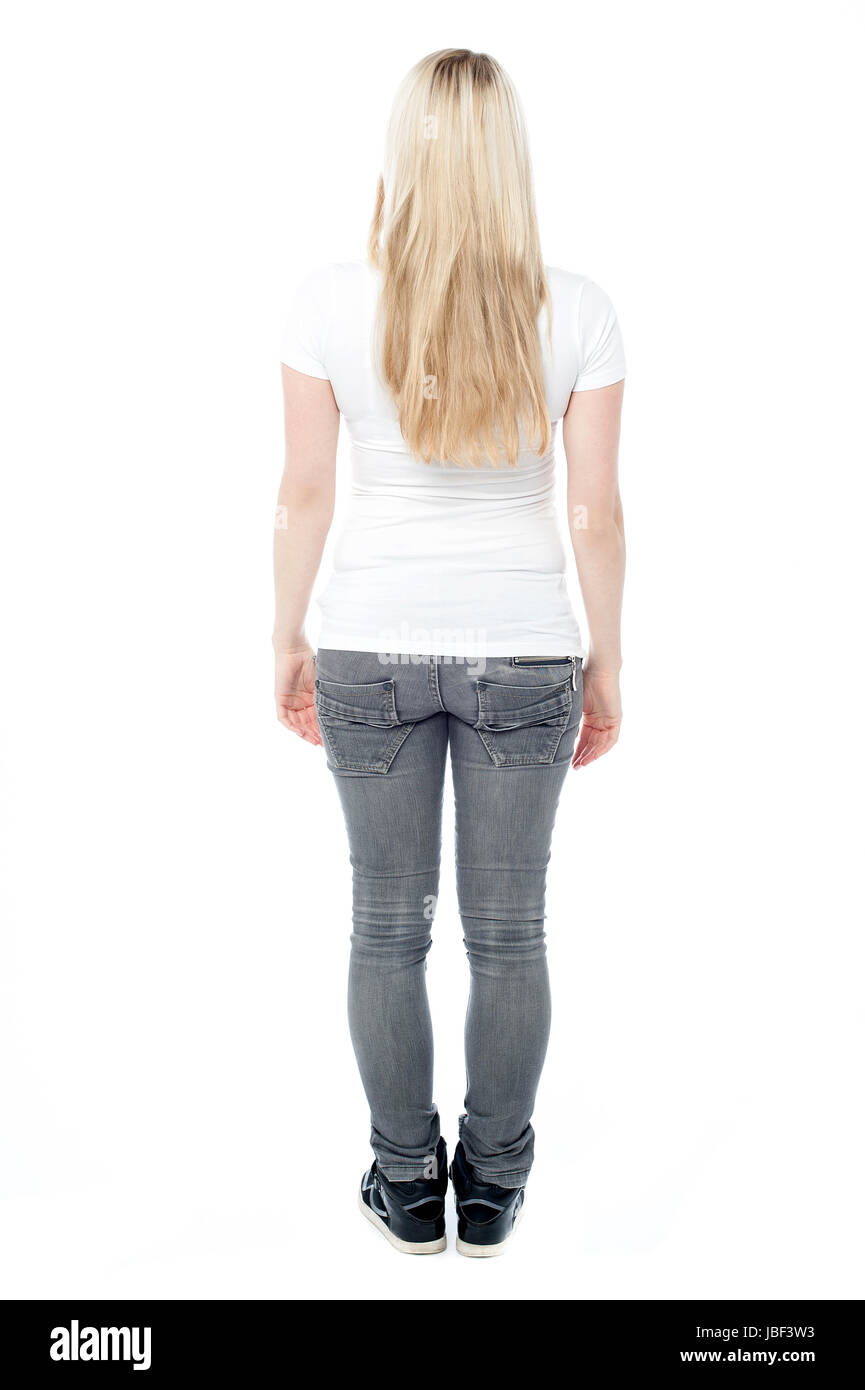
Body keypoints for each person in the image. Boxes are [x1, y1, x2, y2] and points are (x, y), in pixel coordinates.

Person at [273, 49, 626, 1257]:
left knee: (386, 925)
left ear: (404, 151)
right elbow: (593, 513)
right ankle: (491, 1187)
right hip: (526, 657)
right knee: (510, 931)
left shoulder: (329, 301)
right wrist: (609, 663)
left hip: (368, 646)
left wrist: (285, 633)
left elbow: (304, 493)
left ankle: (404, 1184)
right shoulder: (576, 311)